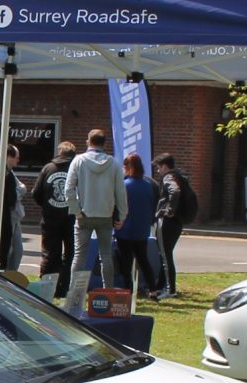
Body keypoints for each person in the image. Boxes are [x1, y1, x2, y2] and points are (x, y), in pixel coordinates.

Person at [64, 128, 126, 315]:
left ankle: (74, 296)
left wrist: (76, 210)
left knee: (79, 255)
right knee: (106, 255)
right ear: (104, 143)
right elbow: (121, 192)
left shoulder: (78, 160)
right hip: (105, 215)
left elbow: (68, 189)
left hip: (84, 214)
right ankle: (109, 292)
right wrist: (122, 215)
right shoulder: (113, 163)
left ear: (88, 141)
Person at [150, 153, 197, 300]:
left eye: (158, 167)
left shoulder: (169, 177)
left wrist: (169, 210)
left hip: (167, 221)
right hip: (178, 221)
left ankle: (170, 290)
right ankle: (160, 286)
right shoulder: (180, 176)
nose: (158, 171)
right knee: (166, 254)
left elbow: (174, 191)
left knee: (165, 256)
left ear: (165, 166)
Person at [36, 142, 77, 299]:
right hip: (71, 219)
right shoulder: (76, 169)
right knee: (70, 255)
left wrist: (47, 206)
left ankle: (45, 289)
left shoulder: (48, 168)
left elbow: (36, 193)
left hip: (50, 219)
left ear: (59, 152)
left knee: (49, 254)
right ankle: (63, 289)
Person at [115, 153, 159, 297]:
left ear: (128, 167)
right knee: (143, 259)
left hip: (125, 228)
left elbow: (118, 205)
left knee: (126, 261)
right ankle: (153, 289)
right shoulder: (148, 185)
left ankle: (128, 290)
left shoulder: (125, 185)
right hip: (142, 229)